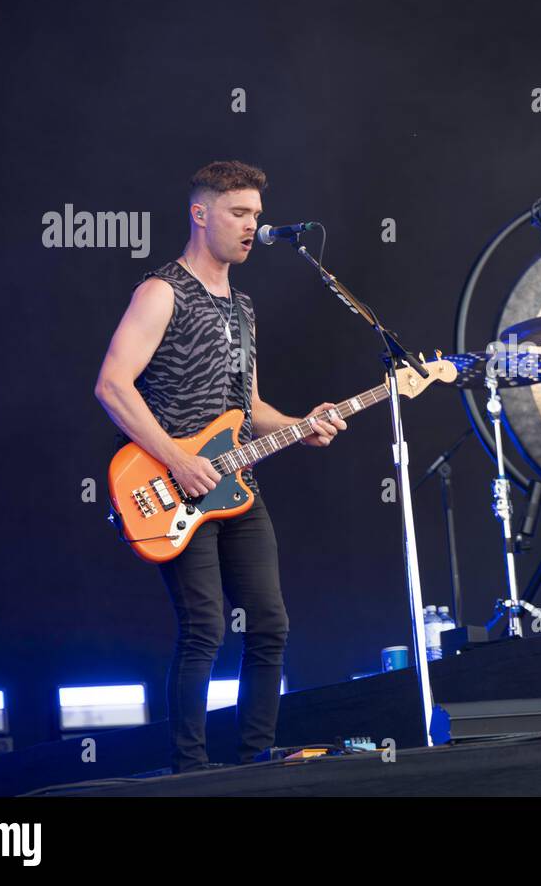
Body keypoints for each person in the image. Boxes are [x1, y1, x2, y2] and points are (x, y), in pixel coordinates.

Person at [94, 160, 346, 773]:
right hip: (172, 487)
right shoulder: (161, 291)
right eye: (239, 213)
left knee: (269, 623)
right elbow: (112, 385)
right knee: (204, 627)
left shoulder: (243, 308)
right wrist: (178, 461)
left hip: (237, 484)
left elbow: (247, 408)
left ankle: (257, 752)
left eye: (257, 215)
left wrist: (299, 427)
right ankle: (191, 768)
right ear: (200, 214)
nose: (252, 226)